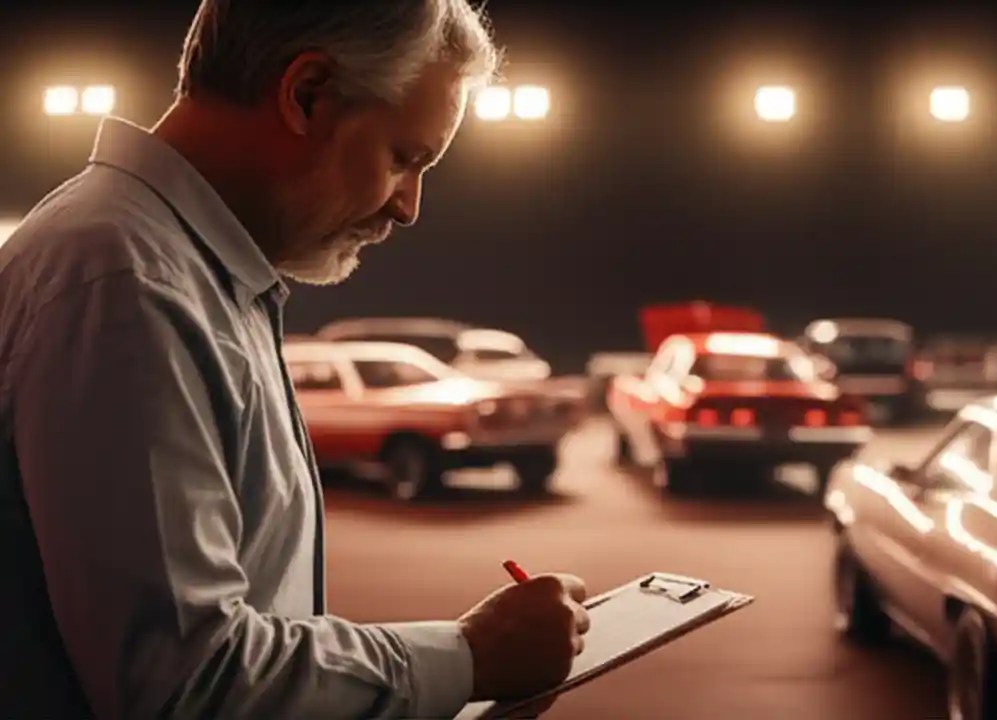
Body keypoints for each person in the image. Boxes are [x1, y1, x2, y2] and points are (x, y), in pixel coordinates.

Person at [0, 2, 589, 718]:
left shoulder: (174, 270)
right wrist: (467, 659)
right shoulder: (129, 284)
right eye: (404, 158)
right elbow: (190, 685)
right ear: (307, 94)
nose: (408, 207)